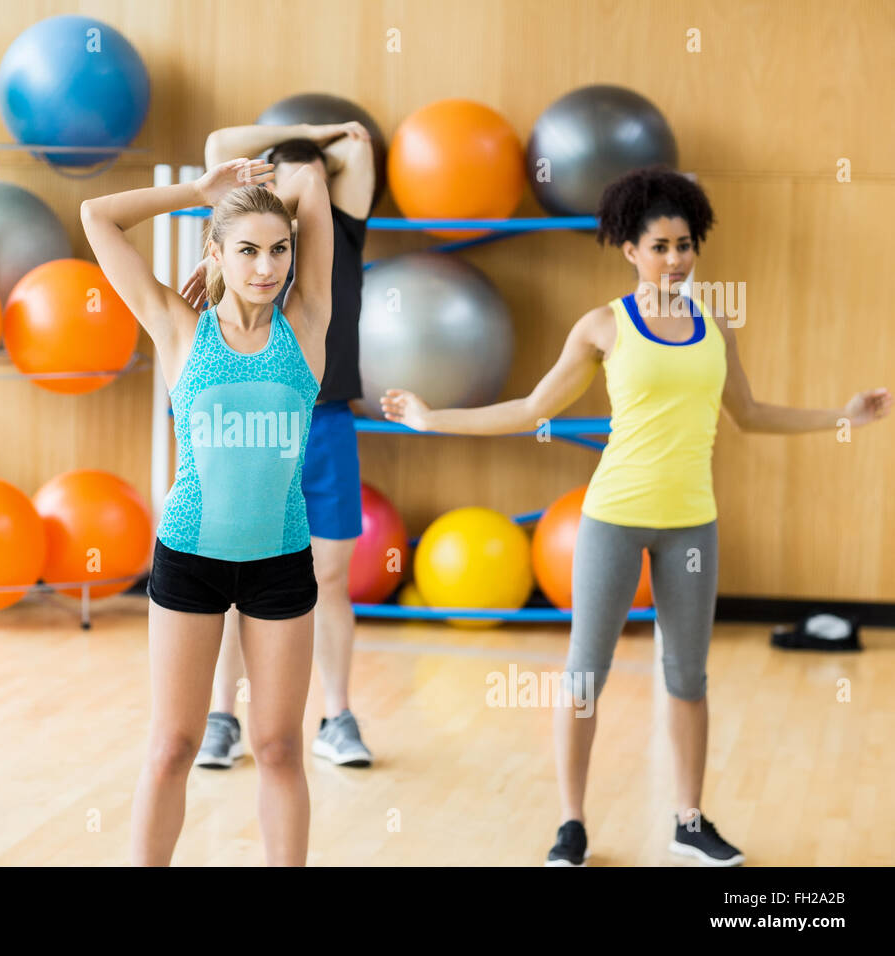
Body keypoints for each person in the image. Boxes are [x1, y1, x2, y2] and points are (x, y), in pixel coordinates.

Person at [380, 166, 890, 866]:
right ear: (629, 249)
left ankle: (688, 819)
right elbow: (533, 409)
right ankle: (572, 824)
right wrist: (433, 418)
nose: (675, 258)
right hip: (614, 517)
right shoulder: (603, 327)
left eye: (685, 244)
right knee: (585, 675)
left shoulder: (716, 328)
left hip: (691, 524)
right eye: (660, 246)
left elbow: (751, 415)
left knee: (688, 677)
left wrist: (845, 416)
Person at [81, 157, 332, 865]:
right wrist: (197, 191)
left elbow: (312, 181)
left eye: (279, 249)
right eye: (247, 250)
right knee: (172, 747)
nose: (266, 266)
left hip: (281, 563)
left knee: (281, 748)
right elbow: (97, 216)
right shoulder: (176, 327)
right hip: (190, 558)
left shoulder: (308, 324)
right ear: (214, 253)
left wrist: (269, 174)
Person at [181, 121, 376, 769]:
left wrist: (310, 151)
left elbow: (340, 158)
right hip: (247, 419)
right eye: (271, 177)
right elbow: (219, 145)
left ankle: (338, 716)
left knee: (330, 574)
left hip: (321, 421)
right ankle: (222, 718)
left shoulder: (335, 225)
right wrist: (279, 160)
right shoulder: (245, 231)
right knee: (233, 574)